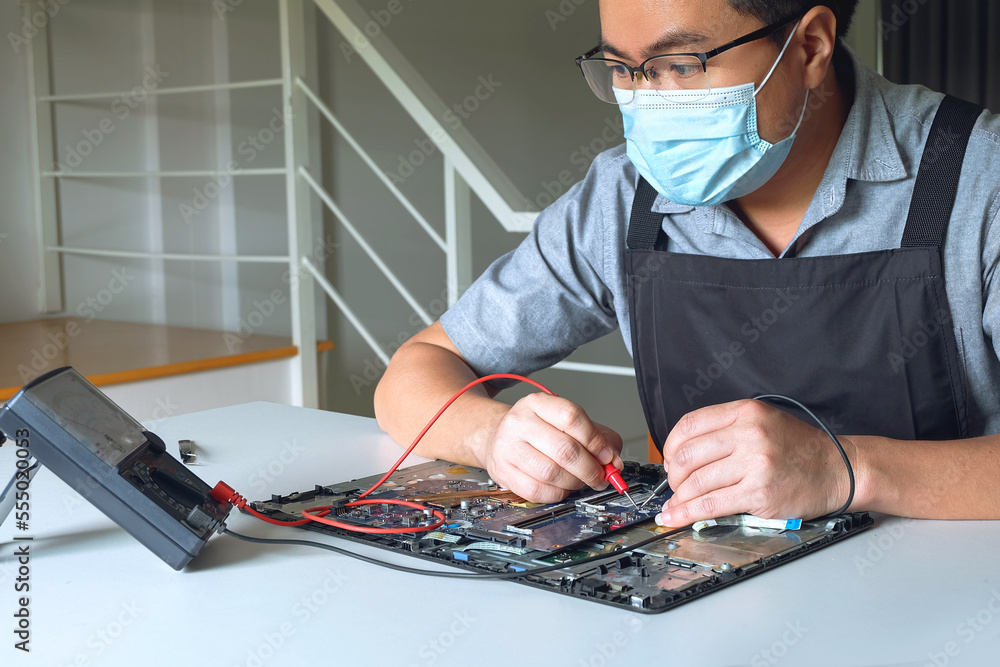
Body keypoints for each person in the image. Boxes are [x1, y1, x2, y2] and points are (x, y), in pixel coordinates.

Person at [374, 0, 1000, 525]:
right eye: (622, 67)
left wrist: (848, 469)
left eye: (682, 64)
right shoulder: (620, 201)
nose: (650, 102)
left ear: (809, 47)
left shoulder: (981, 180)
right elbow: (414, 375)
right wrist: (492, 435)